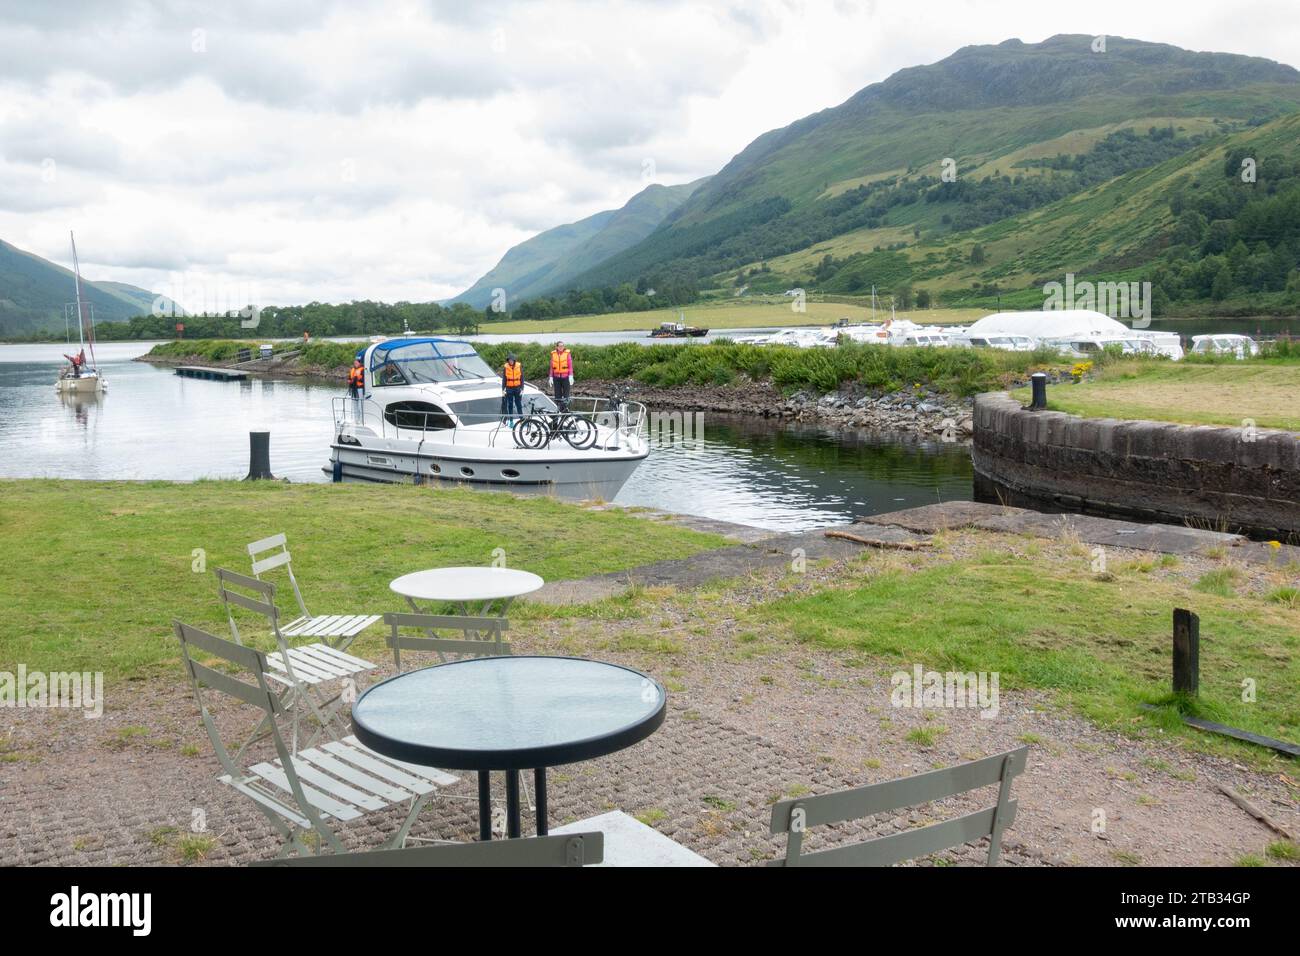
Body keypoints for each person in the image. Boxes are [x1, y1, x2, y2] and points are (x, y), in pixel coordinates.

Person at [501, 352, 524, 425]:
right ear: (508, 360)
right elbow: (504, 379)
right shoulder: (506, 367)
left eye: (512, 360)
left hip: (517, 388)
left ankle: (522, 420)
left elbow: (522, 378)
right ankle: (511, 421)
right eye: (509, 360)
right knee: (510, 405)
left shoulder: (519, 366)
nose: (510, 361)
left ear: (514, 360)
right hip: (509, 388)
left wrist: (522, 388)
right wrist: (503, 389)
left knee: (518, 404)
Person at [549, 341, 573, 409]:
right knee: (557, 396)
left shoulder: (567, 354)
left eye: (562, 346)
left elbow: (570, 366)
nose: (561, 347)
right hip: (556, 378)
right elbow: (551, 367)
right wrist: (550, 377)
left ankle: (565, 411)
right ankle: (559, 411)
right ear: (557, 347)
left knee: (566, 396)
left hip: (565, 377)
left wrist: (571, 376)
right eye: (559, 346)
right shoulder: (553, 354)